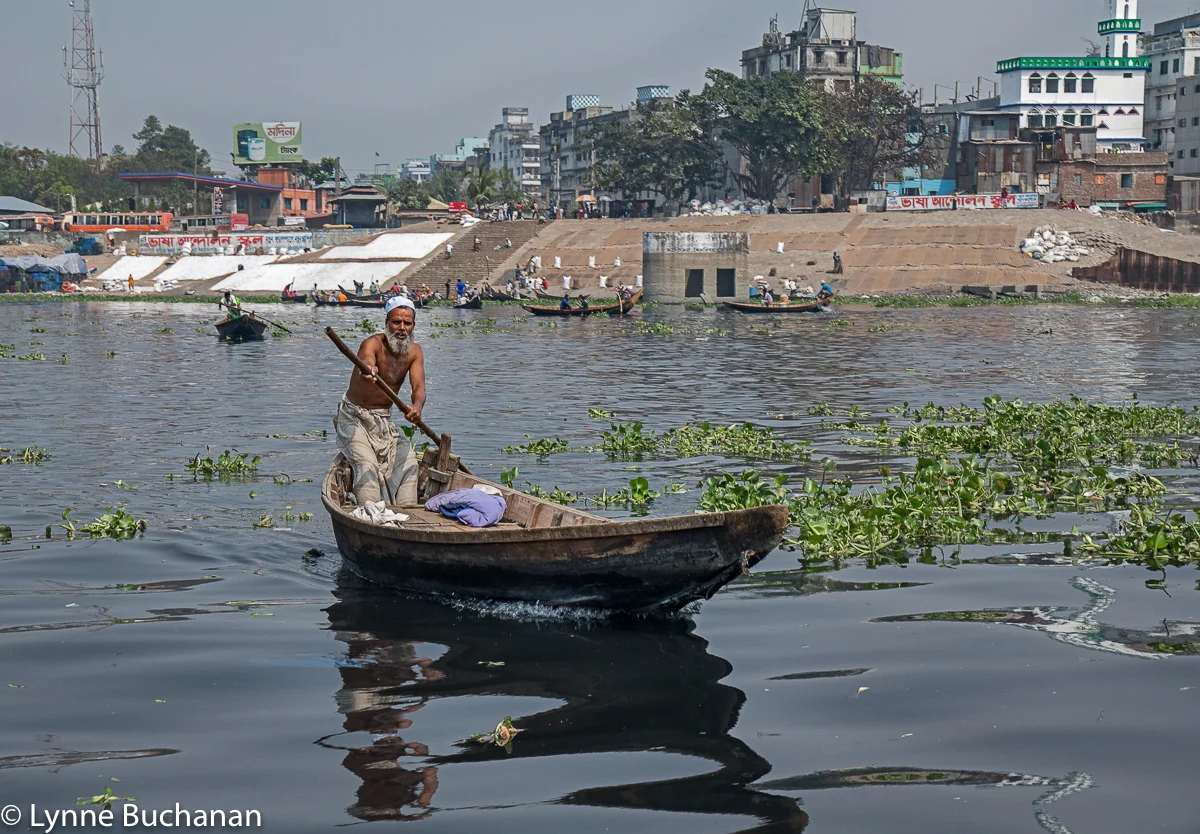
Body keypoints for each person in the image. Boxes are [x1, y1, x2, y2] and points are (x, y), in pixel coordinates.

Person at [334, 296, 425, 508]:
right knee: (366, 465)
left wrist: (417, 406)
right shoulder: (372, 344)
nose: (401, 328)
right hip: (355, 417)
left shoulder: (415, 352)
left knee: (410, 463)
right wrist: (369, 369)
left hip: (384, 421)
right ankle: (373, 516)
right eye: (396, 322)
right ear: (387, 323)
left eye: (407, 323)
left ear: (413, 326)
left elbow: (419, 388)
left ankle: (409, 516)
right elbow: (366, 361)